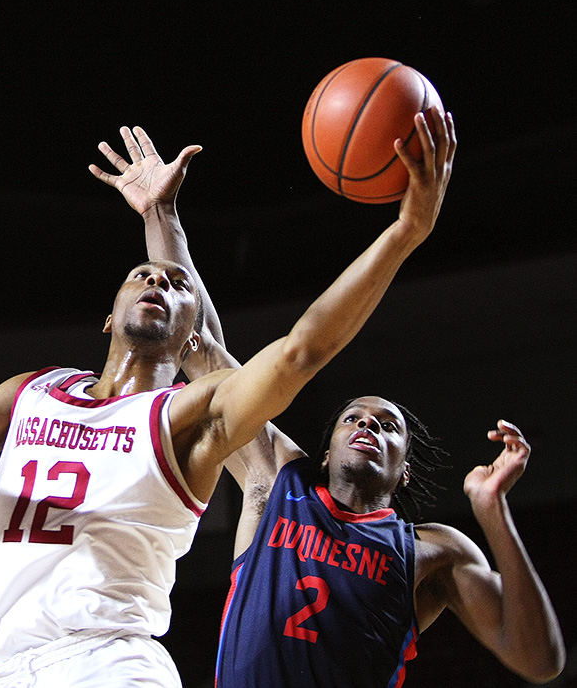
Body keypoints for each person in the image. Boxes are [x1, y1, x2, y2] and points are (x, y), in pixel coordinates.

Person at [0, 109, 455, 687]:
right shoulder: (34, 392)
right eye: (142, 275)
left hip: (109, 666)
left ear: (190, 334)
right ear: (109, 317)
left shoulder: (190, 417)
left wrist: (404, 233)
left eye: (176, 285)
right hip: (8, 671)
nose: (157, 281)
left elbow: (301, 351)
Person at [95, 127, 565, 686]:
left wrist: (492, 511)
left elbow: (540, 662)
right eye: (353, 418)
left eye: (388, 426)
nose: (368, 425)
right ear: (326, 450)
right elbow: (200, 345)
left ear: (404, 468)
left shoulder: (431, 552)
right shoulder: (278, 482)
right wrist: (160, 213)